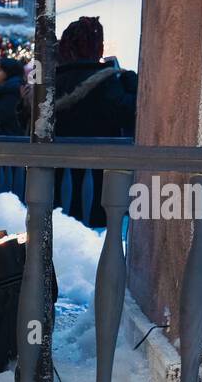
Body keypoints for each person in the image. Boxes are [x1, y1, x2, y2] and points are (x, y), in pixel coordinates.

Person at [53, 16, 138, 226]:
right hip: (98, 183)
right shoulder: (108, 82)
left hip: (54, 178)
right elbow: (128, 113)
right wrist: (131, 81)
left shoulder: (49, 84)